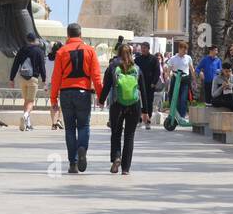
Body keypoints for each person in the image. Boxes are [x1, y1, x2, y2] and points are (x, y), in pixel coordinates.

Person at [49, 23, 101, 173]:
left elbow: (56, 77)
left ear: (68, 35)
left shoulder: (61, 52)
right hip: (83, 92)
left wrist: (53, 100)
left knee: (70, 129)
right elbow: (96, 76)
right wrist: (101, 95)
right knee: (84, 126)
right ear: (81, 35)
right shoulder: (90, 51)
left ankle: (73, 163)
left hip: (66, 92)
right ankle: (82, 148)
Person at [100, 43, 143, 174]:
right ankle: (126, 169)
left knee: (116, 133)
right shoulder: (136, 68)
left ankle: (116, 157)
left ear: (118, 53)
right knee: (129, 136)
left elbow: (107, 85)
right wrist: (146, 110)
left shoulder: (113, 66)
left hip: (117, 104)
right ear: (130, 53)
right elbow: (143, 89)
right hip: (134, 105)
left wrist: (101, 101)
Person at [8, 32, 47, 131]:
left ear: (27, 40)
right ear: (35, 40)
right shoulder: (39, 51)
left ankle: (28, 124)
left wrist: (11, 79)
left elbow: (15, 65)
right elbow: (42, 67)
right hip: (33, 79)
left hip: (22, 78)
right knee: (30, 101)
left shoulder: (22, 50)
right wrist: (44, 79)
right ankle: (25, 116)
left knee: (26, 101)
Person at [165, 40, 194, 123]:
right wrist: (167, 77)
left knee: (183, 98)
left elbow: (191, 69)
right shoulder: (173, 58)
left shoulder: (188, 58)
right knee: (173, 98)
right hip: (175, 78)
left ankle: (182, 116)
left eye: (186, 50)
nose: (185, 51)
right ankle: (173, 114)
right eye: (183, 49)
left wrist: (194, 79)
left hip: (185, 79)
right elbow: (168, 69)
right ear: (179, 49)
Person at [134, 42, 161, 129]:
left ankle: (147, 120)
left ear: (148, 49)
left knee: (149, 103)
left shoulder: (154, 59)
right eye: (142, 48)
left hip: (150, 85)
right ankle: (139, 119)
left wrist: (154, 83)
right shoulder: (137, 60)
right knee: (138, 102)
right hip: (139, 85)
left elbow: (157, 72)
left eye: (145, 48)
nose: (143, 49)